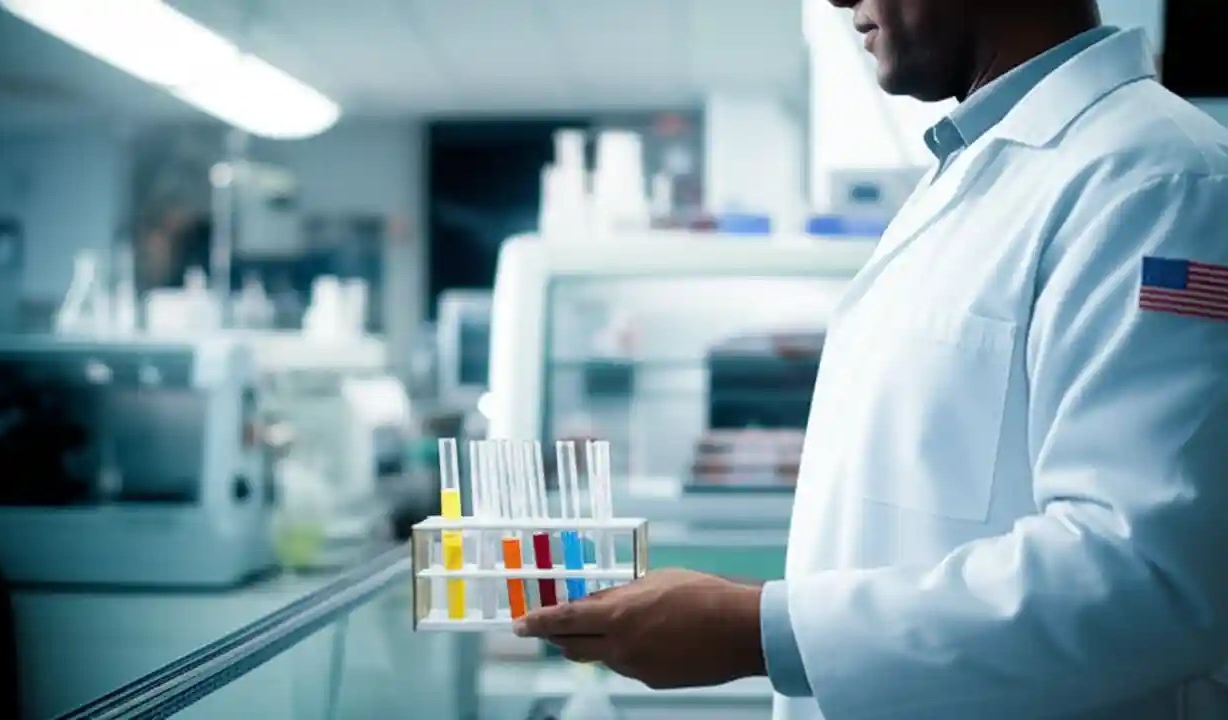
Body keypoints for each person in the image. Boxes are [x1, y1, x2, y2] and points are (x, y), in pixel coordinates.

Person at [514, 0, 1228, 717]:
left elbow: (1149, 574)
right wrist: (765, 619)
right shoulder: (983, 171)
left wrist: (756, 631)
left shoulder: (1161, 181)